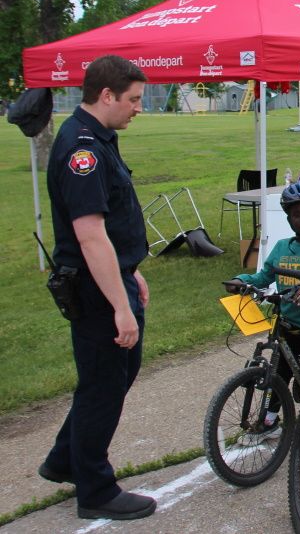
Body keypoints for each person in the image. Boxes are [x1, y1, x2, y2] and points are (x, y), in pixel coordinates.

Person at [39, 55, 157, 520]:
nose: (138, 108)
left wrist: (131, 269)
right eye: (133, 100)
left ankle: (65, 459)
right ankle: (95, 490)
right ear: (106, 96)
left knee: (111, 377)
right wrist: (119, 307)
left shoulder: (96, 138)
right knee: (104, 385)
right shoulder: (81, 149)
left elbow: (111, 227)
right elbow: (89, 235)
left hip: (111, 278)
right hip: (95, 290)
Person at [223, 180, 300, 442]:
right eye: (297, 214)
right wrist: (242, 281)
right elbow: (264, 276)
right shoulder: (281, 248)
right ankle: (269, 421)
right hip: (290, 321)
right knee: (280, 372)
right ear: (289, 219)